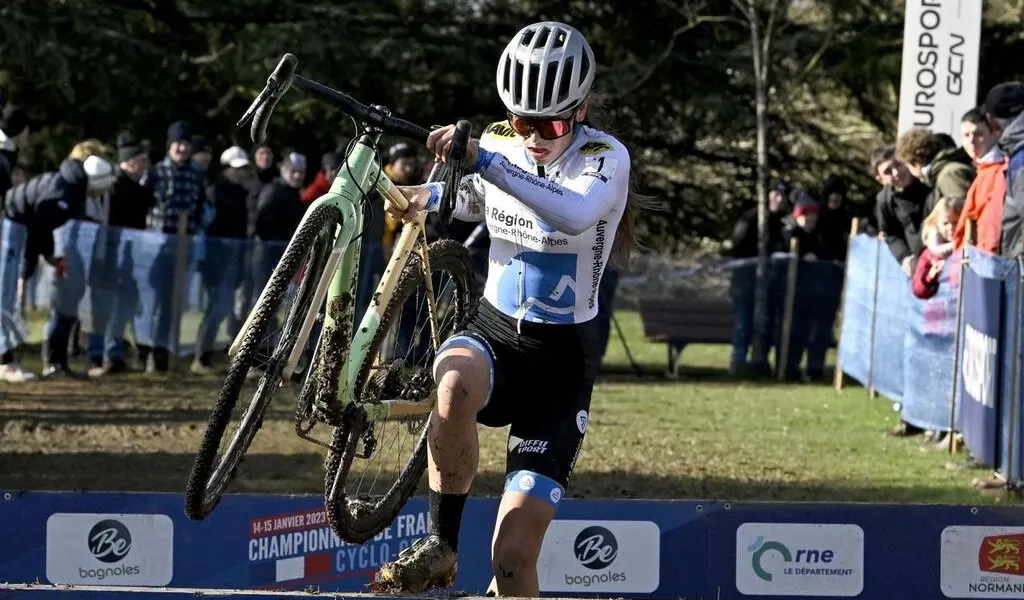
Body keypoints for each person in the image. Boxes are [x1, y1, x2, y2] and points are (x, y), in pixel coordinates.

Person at [375, 21, 642, 597]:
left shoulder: (603, 157)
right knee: (450, 384)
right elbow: (470, 199)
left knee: (512, 562)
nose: (535, 136)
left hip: (560, 363)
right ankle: (442, 542)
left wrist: (487, 161)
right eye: (523, 122)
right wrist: (426, 193)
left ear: (582, 108)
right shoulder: (498, 140)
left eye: (549, 123)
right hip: (494, 331)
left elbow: (572, 214)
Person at [1, 155, 117, 380]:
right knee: (7, 300)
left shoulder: (67, 187)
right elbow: (38, 230)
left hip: (24, 233)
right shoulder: (62, 195)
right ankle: (10, 360)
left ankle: (49, 361)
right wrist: (27, 271)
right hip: (14, 231)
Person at [954, 108, 1006, 253]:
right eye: (966, 135)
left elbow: (992, 225)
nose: (971, 141)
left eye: (978, 134)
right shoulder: (983, 169)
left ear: (994, 134)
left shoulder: (999, 171)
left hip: (987, 260)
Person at [913, 197, 963, 300]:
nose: (950, 228)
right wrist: (930, 276)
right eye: (945, 223)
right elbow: (918, 290)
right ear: (936, 223)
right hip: (947, 308)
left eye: (955, 222)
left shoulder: (971, 244)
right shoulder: (930, 254)